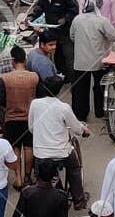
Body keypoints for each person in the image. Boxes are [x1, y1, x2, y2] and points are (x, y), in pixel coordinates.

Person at [28, 77, 89, 209]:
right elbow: (76, 128)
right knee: (74, 168)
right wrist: (84, 131)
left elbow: (31, 128)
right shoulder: (63, 107)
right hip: (61, 153)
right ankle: (79, 200)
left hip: (40, 153)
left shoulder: (35, 104)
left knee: (40, 176)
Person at [0, 46, 38, 186]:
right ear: (25, 59)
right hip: (29, 118)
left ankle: (18, 179)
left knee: (15, 148)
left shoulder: (5, 79)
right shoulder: (34, 77)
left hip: (11, 119)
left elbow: (0, 100)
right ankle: (27, 176)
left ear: (12, 60)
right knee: (28, 147)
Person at [69, 0, 115, 122]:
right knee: (100, 86)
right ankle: (100, 111)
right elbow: (114, 36)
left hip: (80, 62)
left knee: (80, 89)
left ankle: (80, 115)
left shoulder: (77, 19)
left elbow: (72, 36)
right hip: (99, 61)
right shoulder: (102, 21)